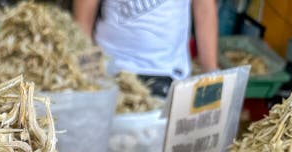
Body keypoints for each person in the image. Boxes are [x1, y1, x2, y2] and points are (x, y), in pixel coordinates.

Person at [74, 0, 218, 95]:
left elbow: (204, 8)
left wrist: (211, 73)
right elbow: (84, 16)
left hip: (171, 75)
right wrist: (88, 73)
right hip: (112, 73)